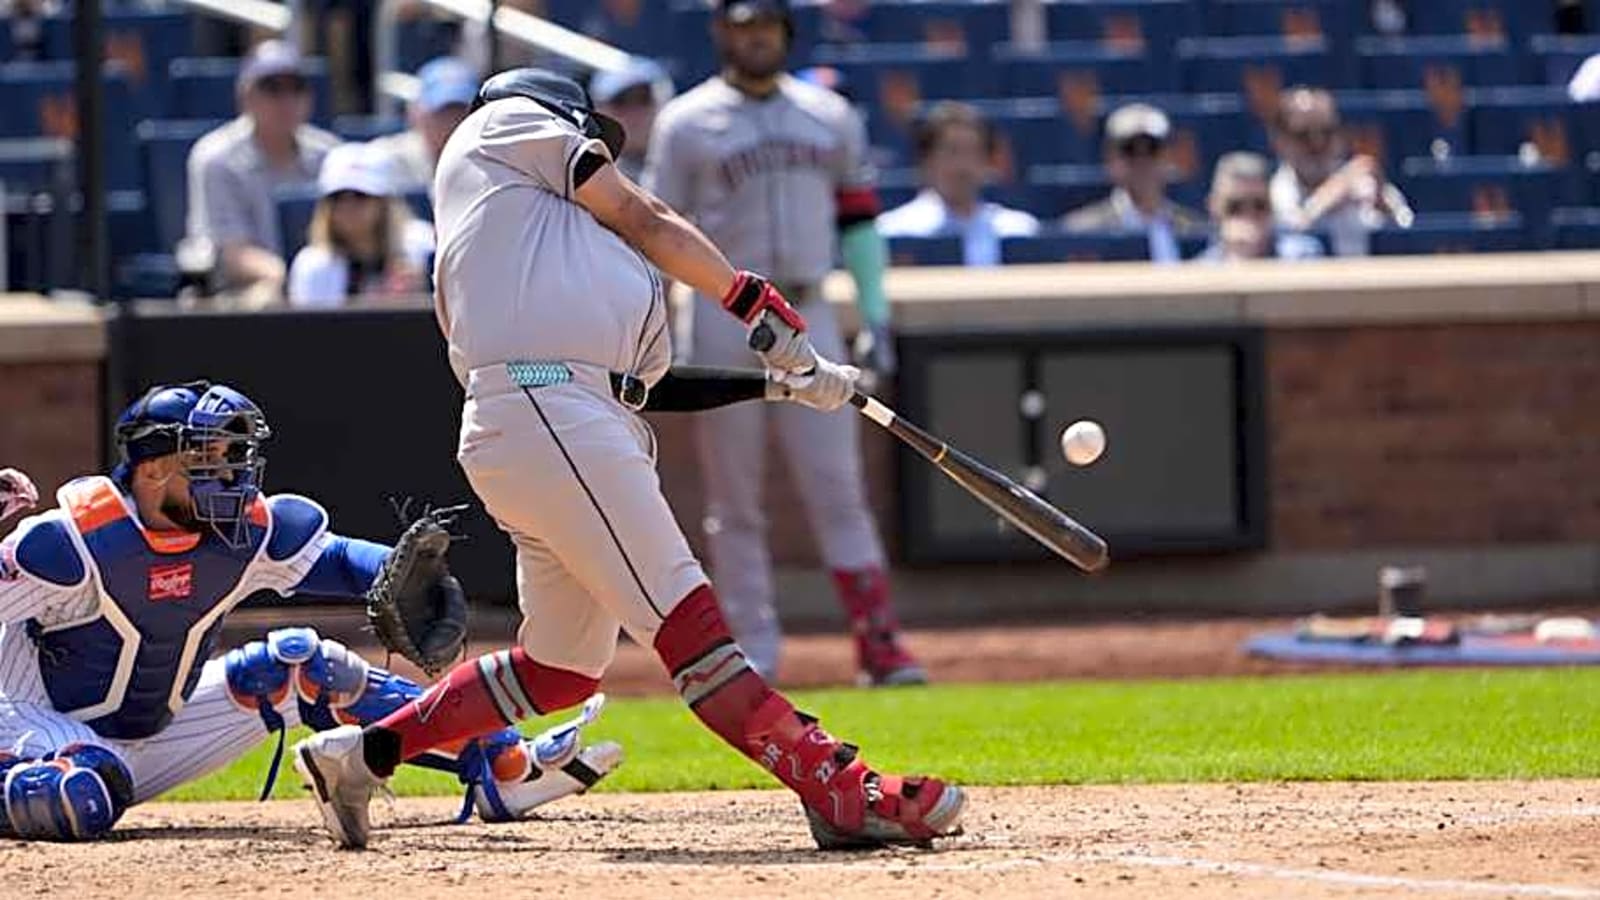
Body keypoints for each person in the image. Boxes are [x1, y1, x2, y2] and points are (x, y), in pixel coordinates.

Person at [290, 67, 965, 852]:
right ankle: (838, 787)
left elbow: (642, 386)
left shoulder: (542, 240)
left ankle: (361, 757)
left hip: (557, 420)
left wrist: (788, 385)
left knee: (561, 667)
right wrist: (751, 299)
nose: (601, 158)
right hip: (550, 414)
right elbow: (643, 215)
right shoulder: (501, 124)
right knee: (687, 624)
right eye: (592, 140)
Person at [0, 383, 620, 842]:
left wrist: (404, 577)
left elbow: (340, 559)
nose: (233, 477)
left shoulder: (244, 533)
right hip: (36, 728)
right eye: (212, 459)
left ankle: (504, 764)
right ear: (155, 468)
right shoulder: (67, 544)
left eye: (234, 457)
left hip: (151, 734)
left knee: (304, 664)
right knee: (78, 795)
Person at [644, 0, 926, 686]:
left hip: (808, 308)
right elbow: (654, 230)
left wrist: (875, 315)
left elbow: (859, 220)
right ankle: (754, 650)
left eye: (766, 25)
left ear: (786, 31)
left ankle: (879, 642)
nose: (757, 37)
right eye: (744, 26)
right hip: (721, 316)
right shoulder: (686, 121)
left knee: (838, 484)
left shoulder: (828, 114)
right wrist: (650, 328)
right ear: (722, 31)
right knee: (734, 498)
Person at [185, 41, 340, 305]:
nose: (286, 101)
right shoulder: (216, 158)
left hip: (319, 288)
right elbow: (229, 251)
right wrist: (285, 275)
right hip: (238, 294)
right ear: (246, 97)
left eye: (296, 88)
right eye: (272, 88)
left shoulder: (330, 153)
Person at [877, 101, 1040, 266]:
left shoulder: (1017, 229)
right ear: (927, 161)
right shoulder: (893, 231)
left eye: (972, 152)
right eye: (951, 151)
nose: (962, 165)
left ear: (987, 163)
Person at [1268, 86, 1413, 257]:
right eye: (1303, 135)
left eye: (1326, 132)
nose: (1317, 144)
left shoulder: (1363, 180)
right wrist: (1331, 195)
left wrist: (1382, 203)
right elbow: (1294, 232)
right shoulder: (1275, 192)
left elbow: (1409, 231)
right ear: (1279, 141)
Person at [287, 143, 435, 308]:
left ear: (385, 202)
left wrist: (422, 290)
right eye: (337, 197)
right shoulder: (312, 265)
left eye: (360, 196)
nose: (347, 206)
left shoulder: (424, 246)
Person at [1062, 103, 1205, 264]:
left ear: (1168, 156)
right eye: (1129, 150)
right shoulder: (1084, 232)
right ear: (1111, 158)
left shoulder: (1194, 229)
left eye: (1152, 149)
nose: (1142, 161)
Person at [371, 56, 481, 197]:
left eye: (460, 112)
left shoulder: (490, 162)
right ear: (415, 113)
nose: (452, 122)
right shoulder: (384, 159)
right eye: (442, 113)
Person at [1194, 152, 1324, 263]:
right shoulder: (1200, 269)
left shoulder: (1302, 255)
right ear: (1214, 207)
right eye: (1234, 206)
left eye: (1259, 205)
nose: (1248, 215)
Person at [590, 58, 676, 182]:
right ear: (600, 111)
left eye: (644, 100)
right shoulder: (585, 177)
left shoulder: (690, 167)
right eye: (620, 102)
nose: (635, 114)